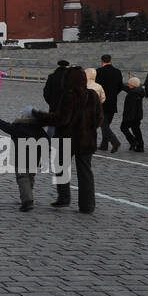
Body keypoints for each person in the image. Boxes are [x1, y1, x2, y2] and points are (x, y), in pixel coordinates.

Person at [39, 67, 101, 213]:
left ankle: (64, 198)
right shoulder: (92, 95)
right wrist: (89, 128)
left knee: (61, 168)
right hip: (87, 139)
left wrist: (41, 116)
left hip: (67, 139)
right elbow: (99, 118)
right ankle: (87, 205)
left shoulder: (69, 95)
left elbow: (62, 118)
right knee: (85, 172)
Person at [0, 104, 51, 211]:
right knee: (30, 177)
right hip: (35, 158)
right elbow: (47, 144)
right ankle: (28, 195)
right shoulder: (39, 130)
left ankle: (27, 201)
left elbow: (3, 125)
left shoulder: (18, 127)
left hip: (21, 158)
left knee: (22, 178)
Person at [96, 54, 124, 153]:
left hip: (101, 102)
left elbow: (96, 87)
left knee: (103, 124)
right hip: (112, 101)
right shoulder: (117, 72)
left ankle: (114, 141)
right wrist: (113, 94)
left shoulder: (98, 71)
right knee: (106, 124)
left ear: (102, 61)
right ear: (110, 61)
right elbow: (120, 86)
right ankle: (104, 145)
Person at [120, 77, 145, 151]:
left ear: (132, 85)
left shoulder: (132, 94)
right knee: (136, 130)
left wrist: (128, 118)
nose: (129, 85)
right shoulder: (139, 91)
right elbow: (128, 89)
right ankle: (140, 146)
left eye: (129, 84)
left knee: (123, 128)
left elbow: (130, 107)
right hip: (138, 115)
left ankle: (133, 142)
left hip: (131, 116)